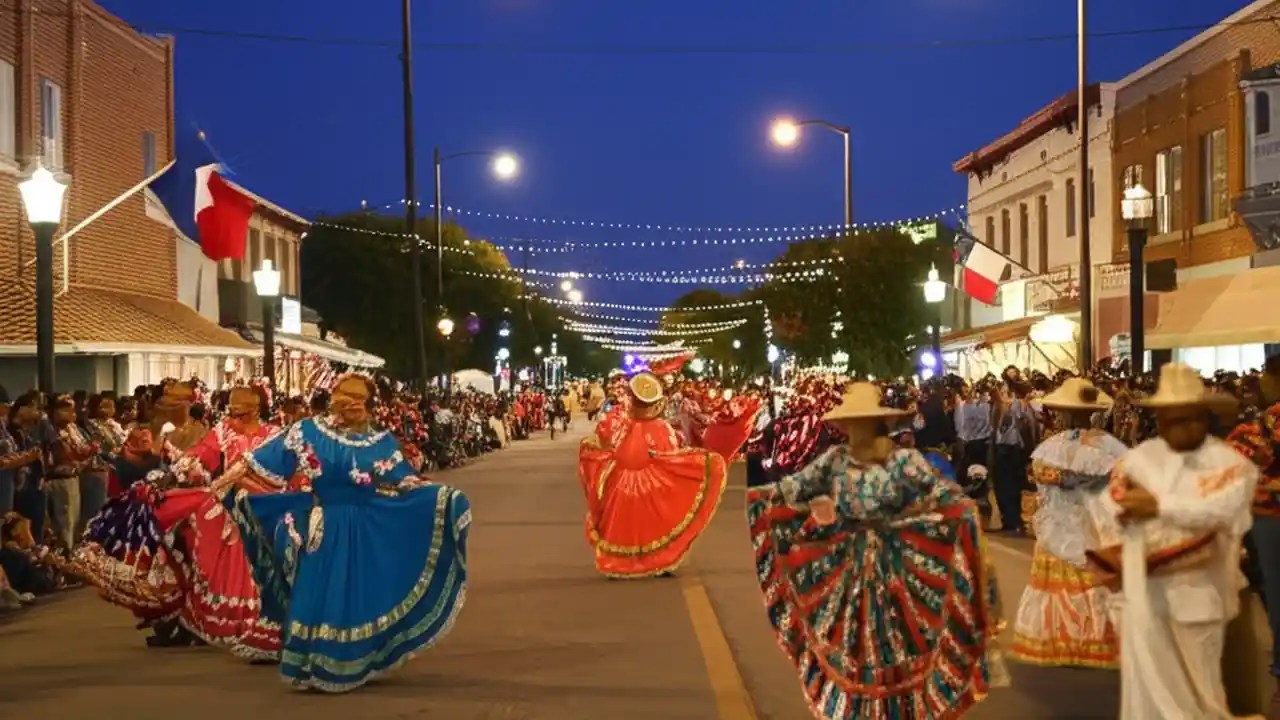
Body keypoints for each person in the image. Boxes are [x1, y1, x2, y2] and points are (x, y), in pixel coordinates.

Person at [747, 383, 999, 718]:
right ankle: (859, 711)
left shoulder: (903, 461)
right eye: (851, 424)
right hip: (849, 562)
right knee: (853, 639)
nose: (854, 430)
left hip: (899, 563)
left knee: (899, 638)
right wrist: (762, 498)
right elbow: (791, 489)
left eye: (861, 422)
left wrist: (958, 511)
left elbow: (944, 495)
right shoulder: (836, 460)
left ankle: (901, 710)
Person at [219, 373, 470, 692]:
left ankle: (350, 660)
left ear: (368, 403)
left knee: (356, 592)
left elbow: (404, 481)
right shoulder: (305, 432)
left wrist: (445, 499)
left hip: (366, 526)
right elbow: (256, 464)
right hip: (324, 525)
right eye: (342, 394)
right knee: (318, 588)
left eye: (356, 397)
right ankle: (312, 662)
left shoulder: (381, 443)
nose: (348, 402)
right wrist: (220, 485)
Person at [1093, 363, 1263, 720]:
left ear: (1204, 416)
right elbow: (1113, 508)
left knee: (1203, 698)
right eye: (1169, 419)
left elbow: (1220, 512)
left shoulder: (1229, 464)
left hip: (1204, 599)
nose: (1178, 427)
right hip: (1146, 602)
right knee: (1152, 702)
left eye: (1187, 418)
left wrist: (1158, 507)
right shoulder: (1138, 460)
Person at [1010, 377, 1124, 669]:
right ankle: (1096, 640)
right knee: (1095, 582)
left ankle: (1062, 639)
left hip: (1058, 525)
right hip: (1096, 525)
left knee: (1059, 587)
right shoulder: (1110, 445)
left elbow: (1042, 479)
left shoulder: (1051, 446)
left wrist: (1066, 480)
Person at [578, 372, 728, 578]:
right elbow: (670, 452)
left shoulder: (623, 422)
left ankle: (622, 561)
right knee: (654, 525)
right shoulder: (660, 427)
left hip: (621, 484)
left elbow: (608, 440)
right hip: (651, 483)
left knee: (624, 525)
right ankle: (654, 560)